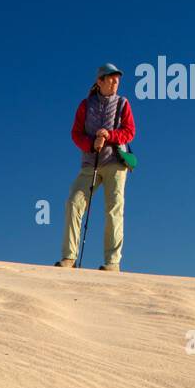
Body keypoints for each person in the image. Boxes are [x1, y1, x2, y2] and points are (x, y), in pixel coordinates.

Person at [56, 63, 135, 271]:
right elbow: (76, 134)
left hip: (116, 163)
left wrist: (108, 135)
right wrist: (92, 143)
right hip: (91, 164)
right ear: (99, 81)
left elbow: (129, 132)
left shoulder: (123, 103)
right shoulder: (85, 105)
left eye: (117, 78)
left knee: (113, 211)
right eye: (110, 78)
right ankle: (68, 258)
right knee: (74, 202)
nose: (115, 81)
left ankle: (112, 262)